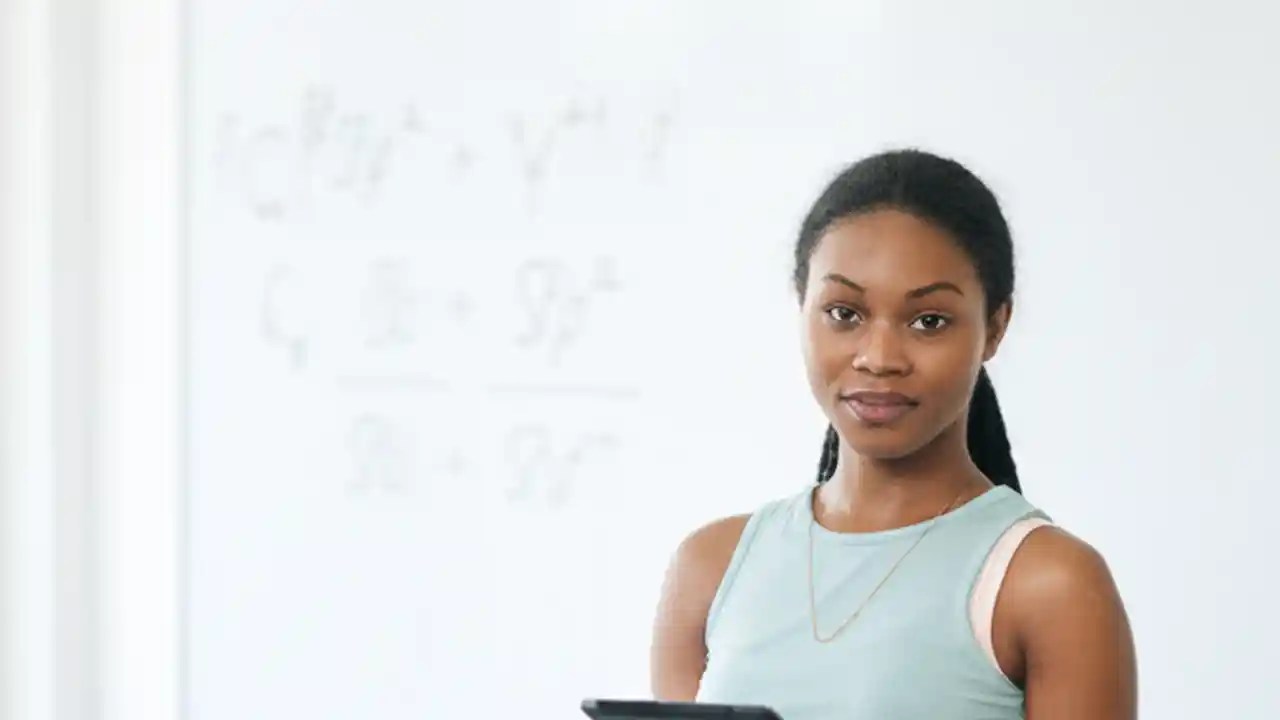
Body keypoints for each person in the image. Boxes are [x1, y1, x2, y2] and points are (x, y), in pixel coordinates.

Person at [649, 149, 1138, 719]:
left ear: (994, 328)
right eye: (844, 313)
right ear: (802, 308)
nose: (878, 358)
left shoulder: (1049, 584)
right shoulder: (710, 568)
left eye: (928, 321)